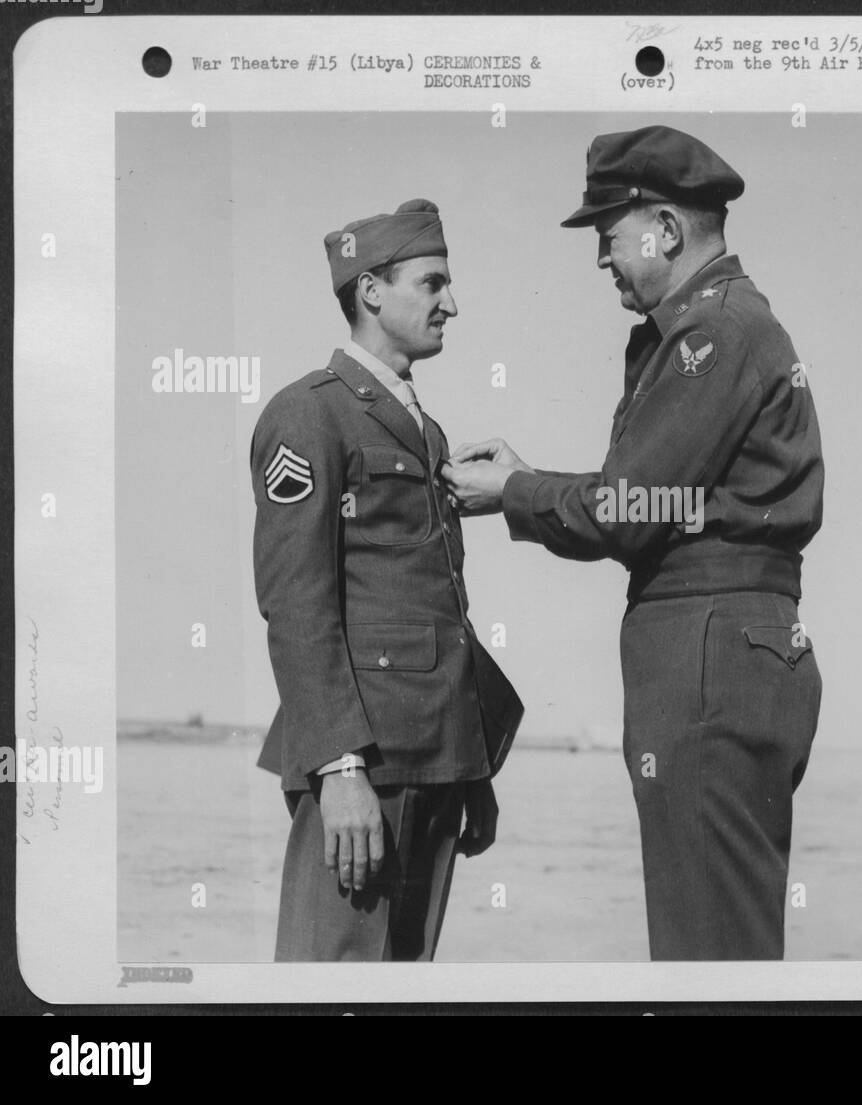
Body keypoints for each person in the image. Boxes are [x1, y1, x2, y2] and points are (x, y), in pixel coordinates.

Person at [445, 127, 825, 960]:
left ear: (665, 227)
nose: (601, 259)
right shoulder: (716, 329)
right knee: (728, 942)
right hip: (730, 649)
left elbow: (625, 510)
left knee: (707, 955)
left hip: (705, 653)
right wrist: (530, 479)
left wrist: (513, 490)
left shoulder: (712, 336)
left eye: (608, 235)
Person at [250, 199, 518, 961]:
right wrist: (338, 771)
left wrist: (471, 768)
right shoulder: (309, 417)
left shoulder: (420, 428)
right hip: (362, 763)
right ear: (370, 290)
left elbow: (439, 601)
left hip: (435, 760)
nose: (451, 303)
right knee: (331, 977)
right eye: (432, 283)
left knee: (404, 983)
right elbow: (296, 603)